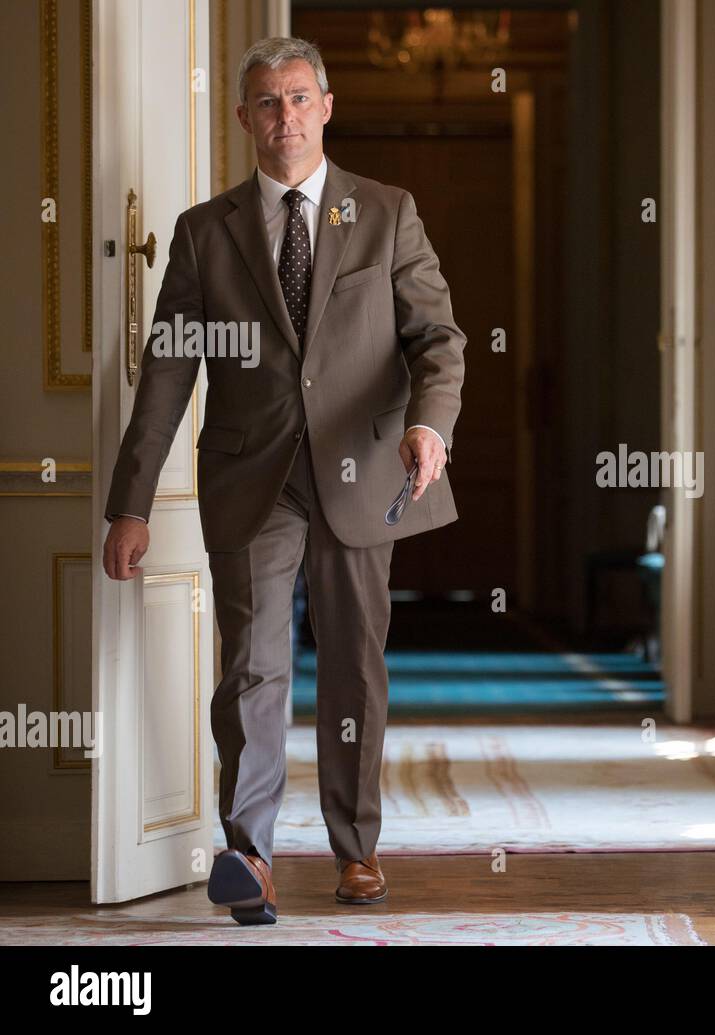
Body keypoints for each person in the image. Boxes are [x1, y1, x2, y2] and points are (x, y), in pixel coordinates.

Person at [101, 35, 467, 925]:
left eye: (300, 99)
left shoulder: (386, 213)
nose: (285, 118)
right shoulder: (202, 231)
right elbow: (168, 372)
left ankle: (357, 848)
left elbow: (437, 340)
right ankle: (250, 853)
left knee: (353, 666)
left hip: (362, 472)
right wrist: (131, 502)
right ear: (244, 119)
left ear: (327, 106)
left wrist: (429, 425)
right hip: (253, 480)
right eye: (267, 102)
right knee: (254, 668)